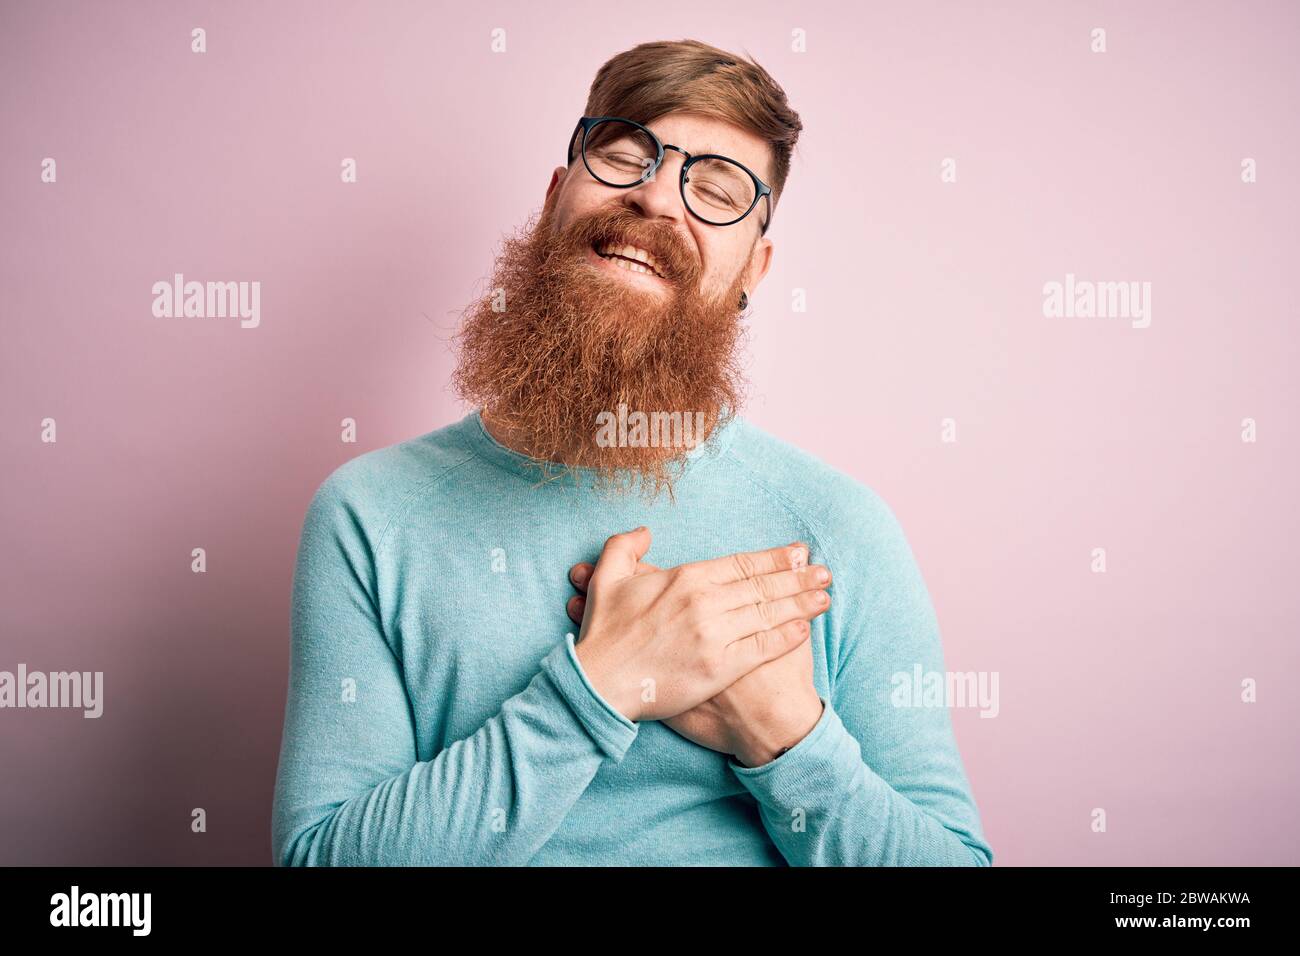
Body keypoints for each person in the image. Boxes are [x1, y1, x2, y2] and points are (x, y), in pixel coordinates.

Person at [271, 38, 993, 866]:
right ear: (554, 198)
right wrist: (603, 684)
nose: (655, 198)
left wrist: (783, 737)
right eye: (622, 157)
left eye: (716, 190)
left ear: (754, 269)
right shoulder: (369, 514)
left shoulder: (837, 526)